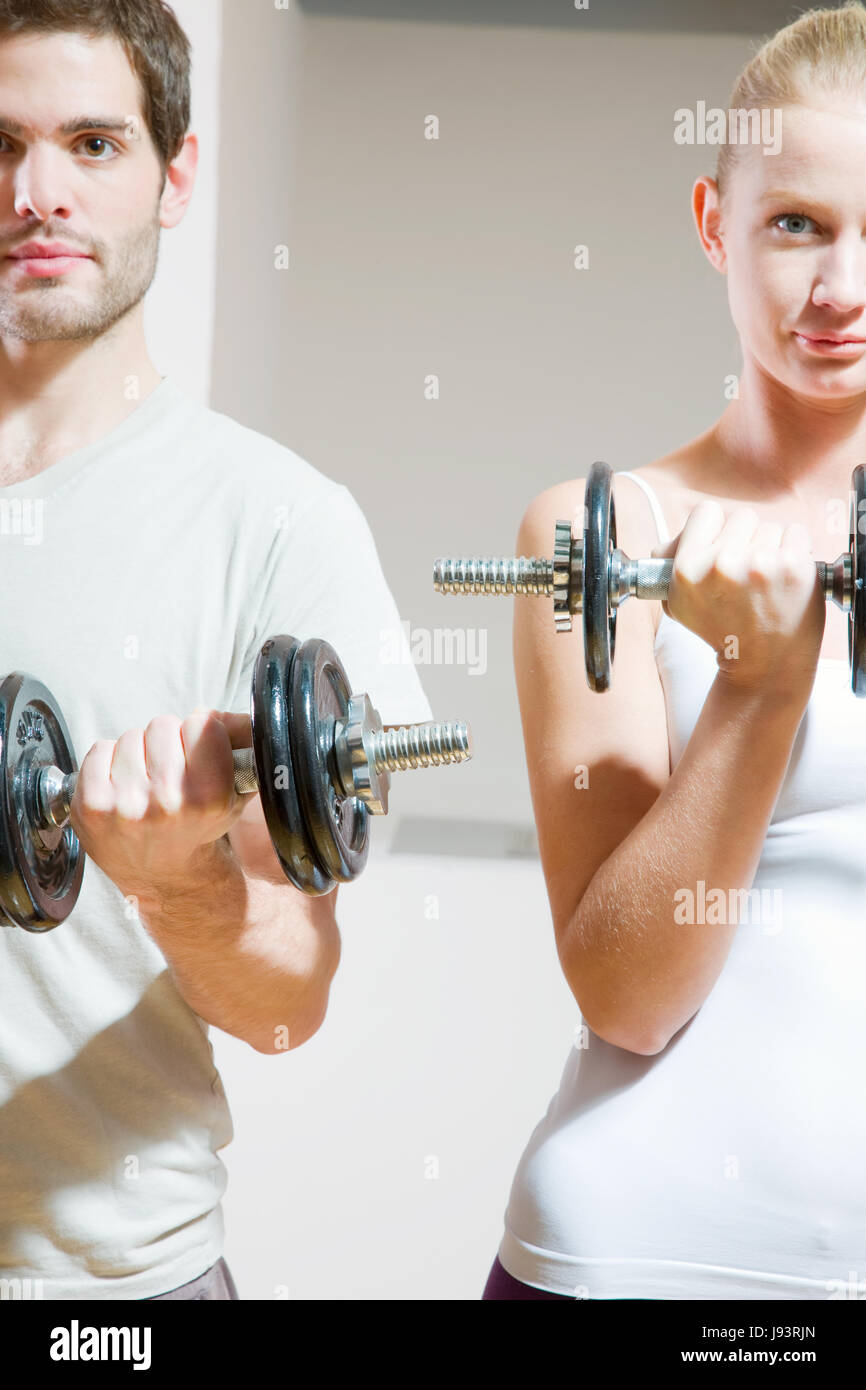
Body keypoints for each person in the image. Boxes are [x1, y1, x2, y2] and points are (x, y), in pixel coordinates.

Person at [0, 1, 431, 1300]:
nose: (36, 192)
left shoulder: (278, 522)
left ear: (174, 174)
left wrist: (175, 882)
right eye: (1, 143)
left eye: (92, 143)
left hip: (105, 1294)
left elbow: (285, 1004)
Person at [483, 1, 866, 1300]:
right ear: (715, 222)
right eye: (794, 224)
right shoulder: (601, 538)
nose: (838, 289)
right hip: (624, 1260)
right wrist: (760, 682)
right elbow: (627, 999)